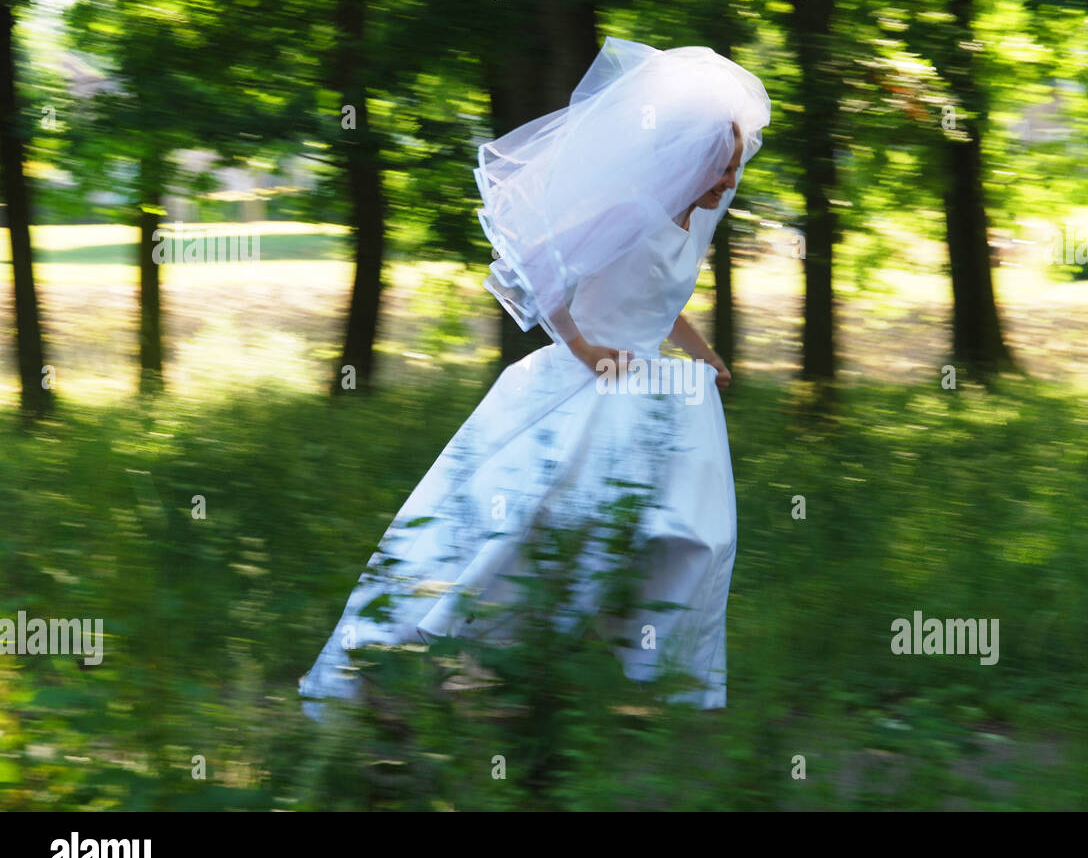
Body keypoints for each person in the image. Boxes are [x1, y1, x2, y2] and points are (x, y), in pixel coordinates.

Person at [299, 37, 770, 719]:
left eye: (732, 168)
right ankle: (427, 661)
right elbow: (539, 266)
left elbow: (659, 300)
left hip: (656, 391)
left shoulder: (692, 222)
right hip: (588, 383)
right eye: (724, 168)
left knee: (693, 534)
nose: (731, 181)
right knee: (527, 525)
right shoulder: (625, 211)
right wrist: (583, 349)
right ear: (691, 159)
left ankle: (645, 677)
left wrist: (705, 352)